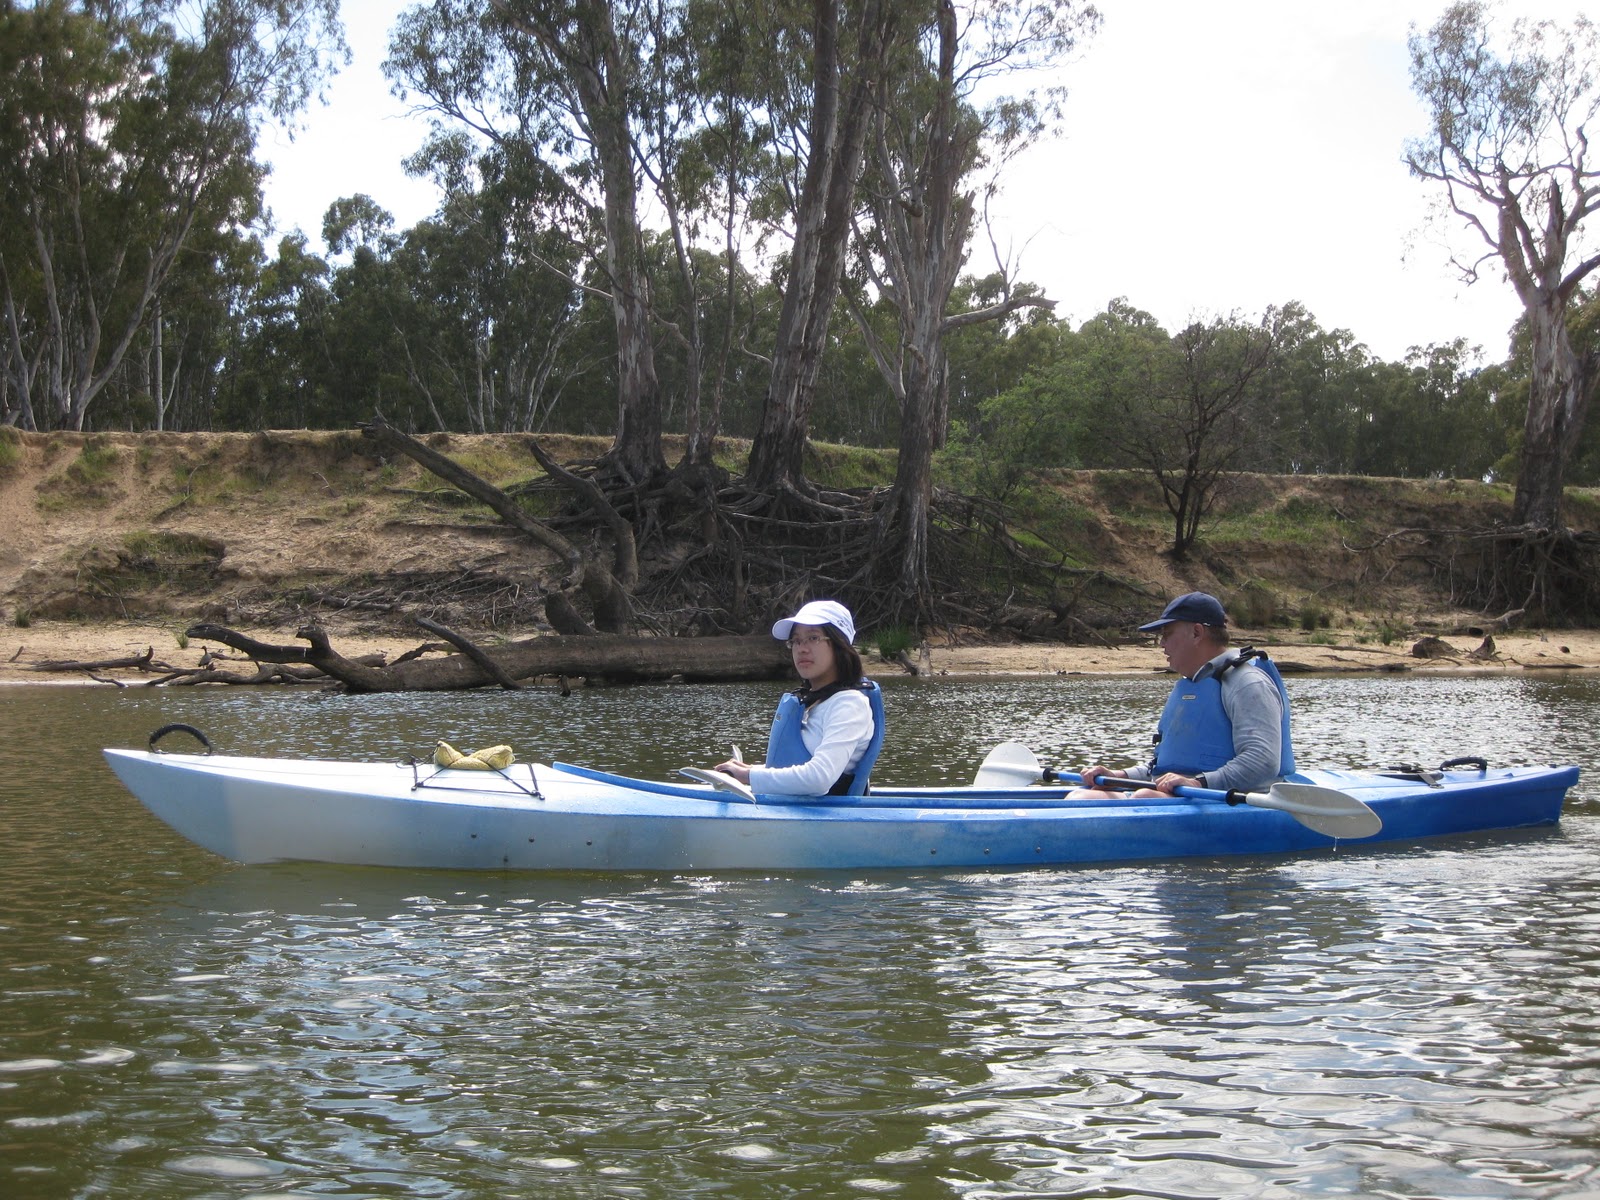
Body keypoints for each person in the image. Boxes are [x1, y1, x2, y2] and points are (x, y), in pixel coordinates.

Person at [1072, 591, 1294, 798]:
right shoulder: (1193, 687)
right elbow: (1167, 769)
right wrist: (1121, 776)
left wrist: (1198, 783)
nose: (1162, 644)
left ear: (1197, 633)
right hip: (1185, 798)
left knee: (1144, 796)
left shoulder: (1247, 684)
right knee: (1082, 794)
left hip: (1238, 803)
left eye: (1167, 634)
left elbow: (1263, 762)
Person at [711, 600, 884, 796]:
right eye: (796, 640)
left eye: (813, 638)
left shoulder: (849, 705)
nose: (801, 648)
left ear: (839, 645)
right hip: (795, 811)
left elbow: (819, 778)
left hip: (822, 820)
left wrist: (749, 776)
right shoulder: (815, 702)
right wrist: (749, 771)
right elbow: (798, 764)